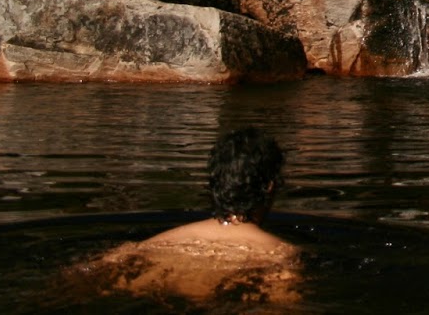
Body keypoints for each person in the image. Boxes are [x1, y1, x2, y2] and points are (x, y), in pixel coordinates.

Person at [81, 126, 301, 304]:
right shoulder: (278, 256)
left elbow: (84, 275)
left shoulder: (153, 245)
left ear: (215, 184)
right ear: (270, 187)